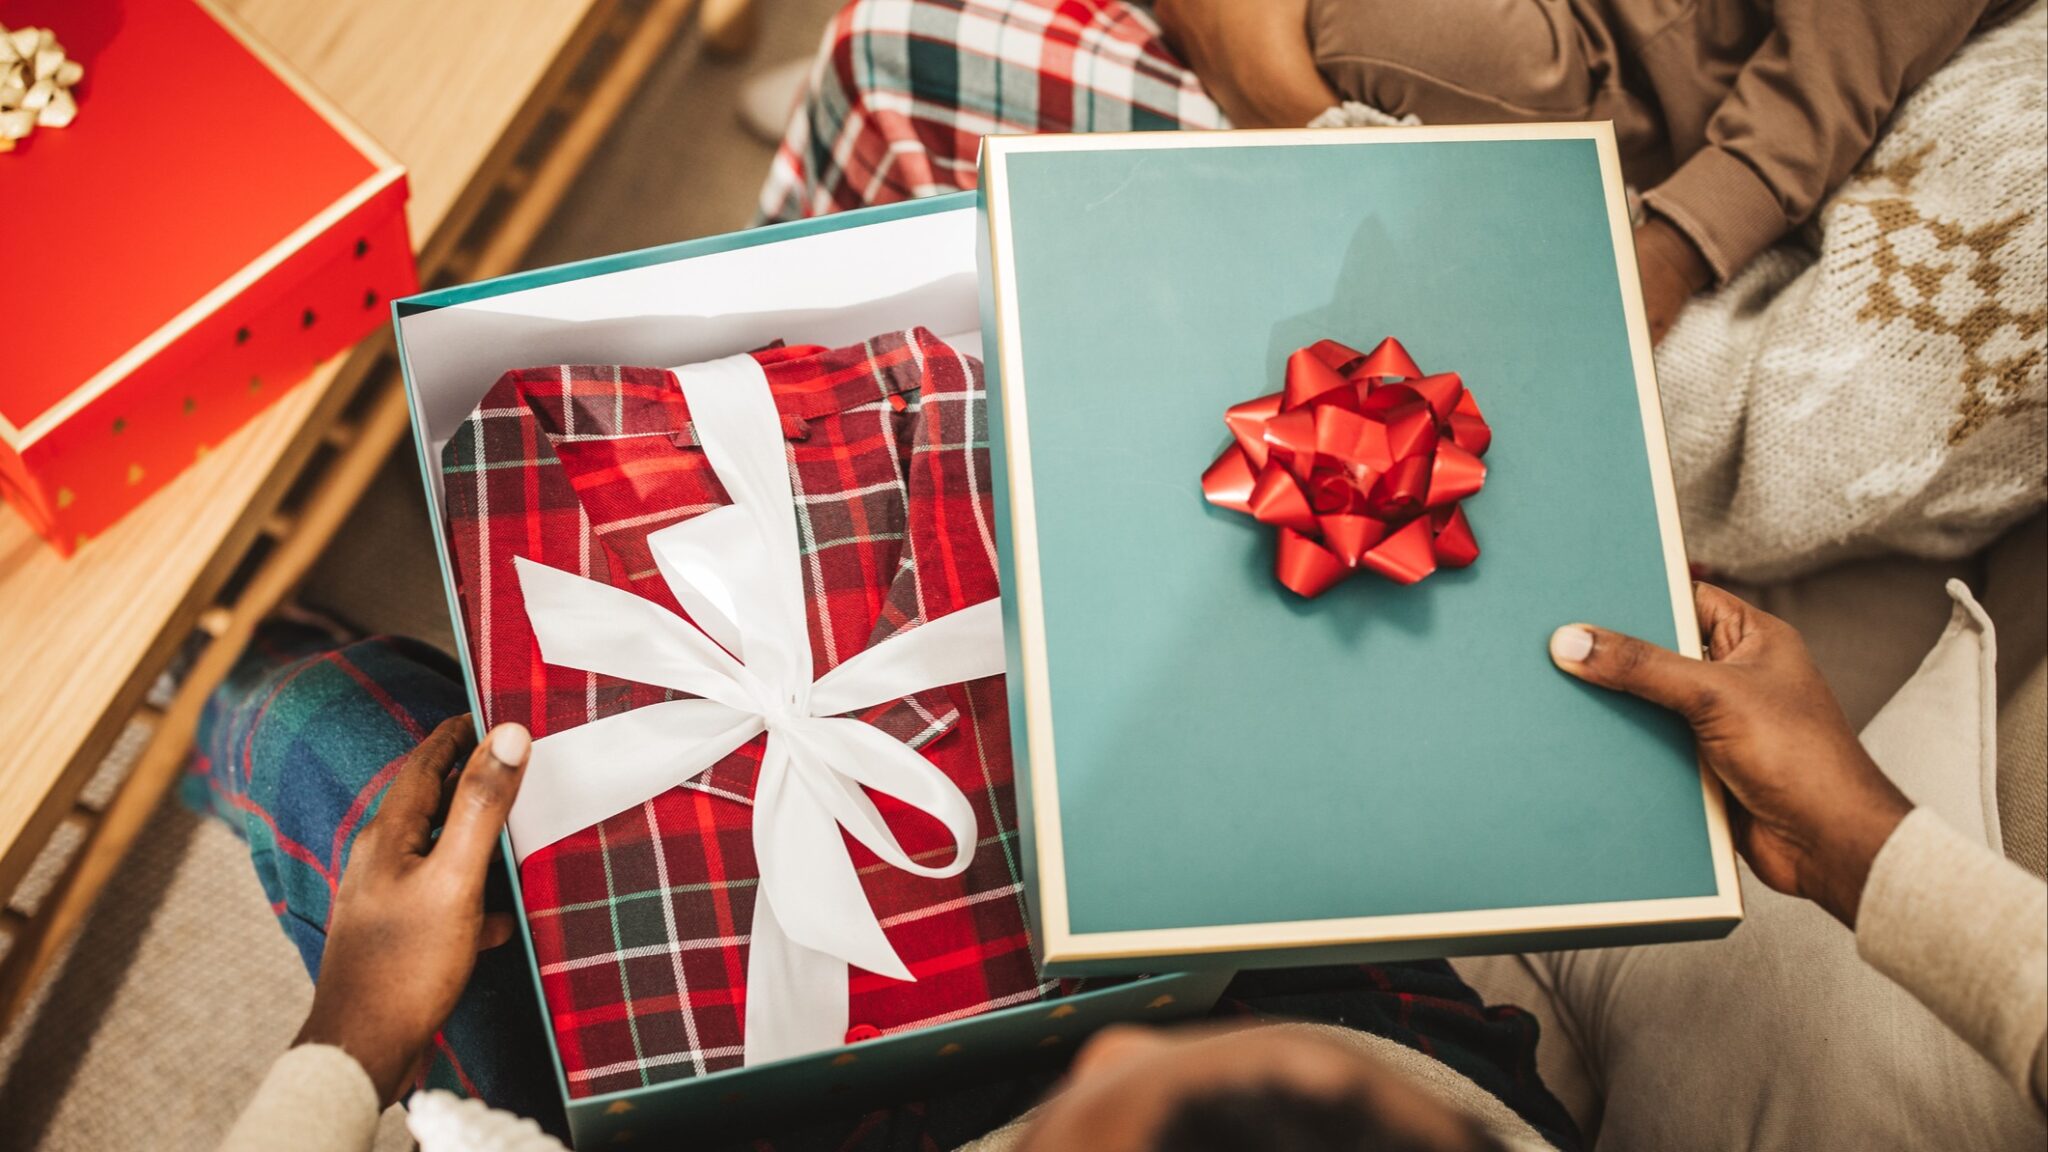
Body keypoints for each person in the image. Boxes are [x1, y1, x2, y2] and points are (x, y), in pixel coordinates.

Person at [213, 584, 2047, 1150]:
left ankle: (250, 673)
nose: (1094, 1039)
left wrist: (356, 1041)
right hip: (1356, 1002)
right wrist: (1863, 843)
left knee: (304, 719)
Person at [758, 0, 2031, 342]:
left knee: (889, 50)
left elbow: (1813, 100)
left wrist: (1656, 261)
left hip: (1576, 65)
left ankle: (789, 337)